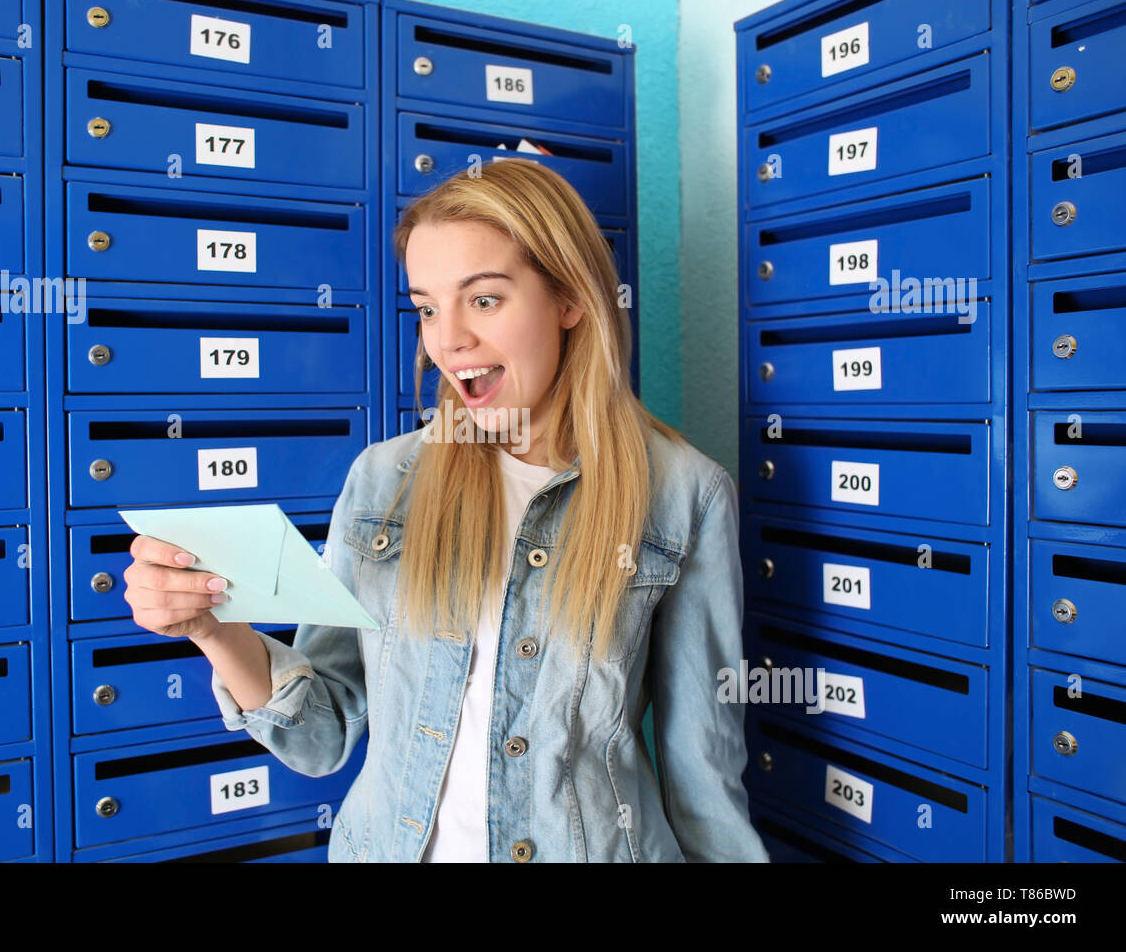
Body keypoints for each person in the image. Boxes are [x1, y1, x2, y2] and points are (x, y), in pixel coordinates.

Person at [124, 159, 769, 863]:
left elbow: (703, 779)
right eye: (428, 307)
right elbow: (323, 732)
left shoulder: (683, 492)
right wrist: (214, 630)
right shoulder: (385, 481)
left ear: (571, 299)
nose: (447, 339)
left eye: (484, 299)